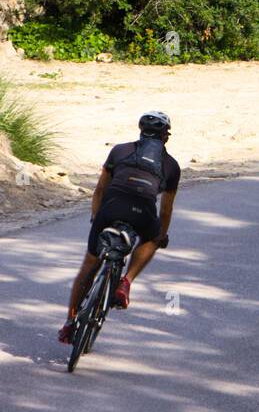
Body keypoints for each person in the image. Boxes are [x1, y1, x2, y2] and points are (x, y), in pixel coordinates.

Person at [59, 111, 181, 344]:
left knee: (89, 265)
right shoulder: (171, 166)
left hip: (112, 208)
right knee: (153, 238)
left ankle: (68, 324)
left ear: (140, 131)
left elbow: (100, 190)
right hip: (143, 214)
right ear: (166, 137)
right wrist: (161, 236)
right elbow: (165, 211)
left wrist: (98, 217)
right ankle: (126, 281)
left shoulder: (119, 150)